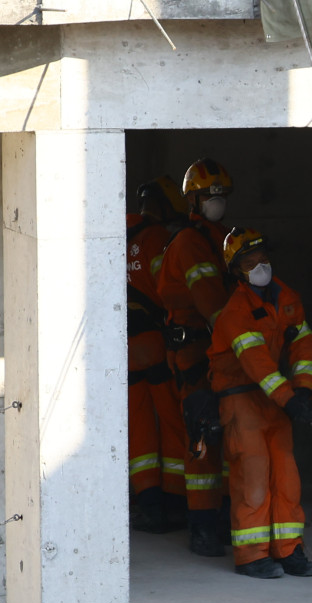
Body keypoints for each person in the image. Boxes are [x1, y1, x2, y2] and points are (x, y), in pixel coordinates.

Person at [204, 227, 312, 580]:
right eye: (250, 262)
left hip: (274, 398)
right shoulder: (235, 312)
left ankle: (289, 549)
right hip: (241, 401)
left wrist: (304, 389)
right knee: (252, 475)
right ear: (237, 270)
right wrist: (290, 398)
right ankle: (251, 555)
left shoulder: (286, 297)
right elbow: (257, 363)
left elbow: (303, 342)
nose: (259, 266)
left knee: (286, 475)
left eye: (263, 259)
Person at [156, 159, 235, 556]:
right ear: (193, 200)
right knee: (203, 437)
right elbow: (213, 303)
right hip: (196, 352)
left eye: (220, 196)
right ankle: (203, 527)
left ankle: (219, 519)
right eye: (209, 196)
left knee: (225, 437)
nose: (216, 202)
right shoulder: (191, 242)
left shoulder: (218, 236)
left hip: (217, 349)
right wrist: (247, 340)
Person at [125, 178, 190, 532]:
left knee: (138, 425)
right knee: (171, 418)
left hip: (123, 344)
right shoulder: (157, 240)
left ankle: (147, 502)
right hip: (155, 342)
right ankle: (177, 500)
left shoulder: (113, 232)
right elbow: (168, 292)